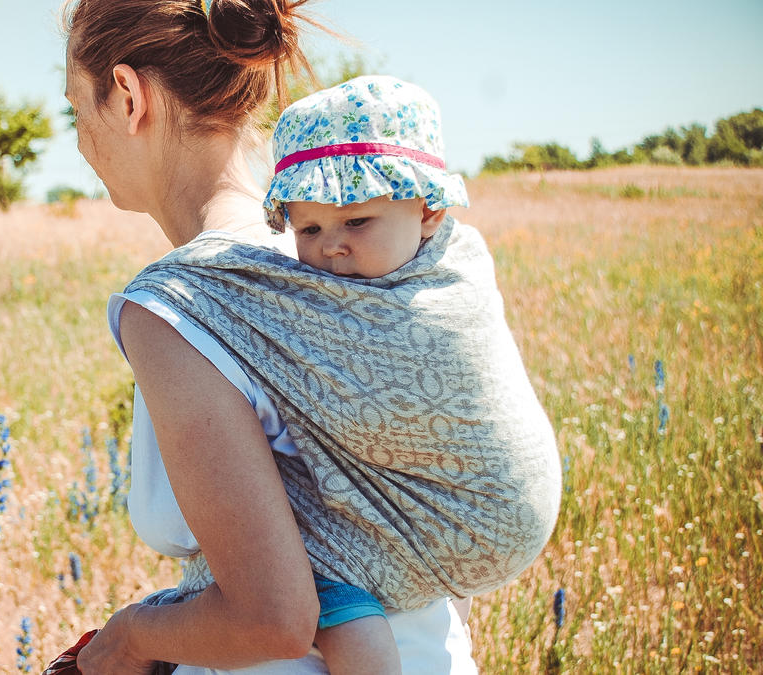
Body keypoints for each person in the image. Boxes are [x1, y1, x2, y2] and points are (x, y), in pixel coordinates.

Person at [60, 1, 541, 673]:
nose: (79, 140)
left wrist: (128, 637)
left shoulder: (180, 305)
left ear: (129, 94)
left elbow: (275, 619)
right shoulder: (369, 254)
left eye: (74, 108)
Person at [239, 74, 562, 675]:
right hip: (465, 524)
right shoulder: (400, 265)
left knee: (327, 590)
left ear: (430, 210)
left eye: (356, 222)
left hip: (469, 509)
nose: (331, 247)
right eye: (308, 229)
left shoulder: (448, 287)